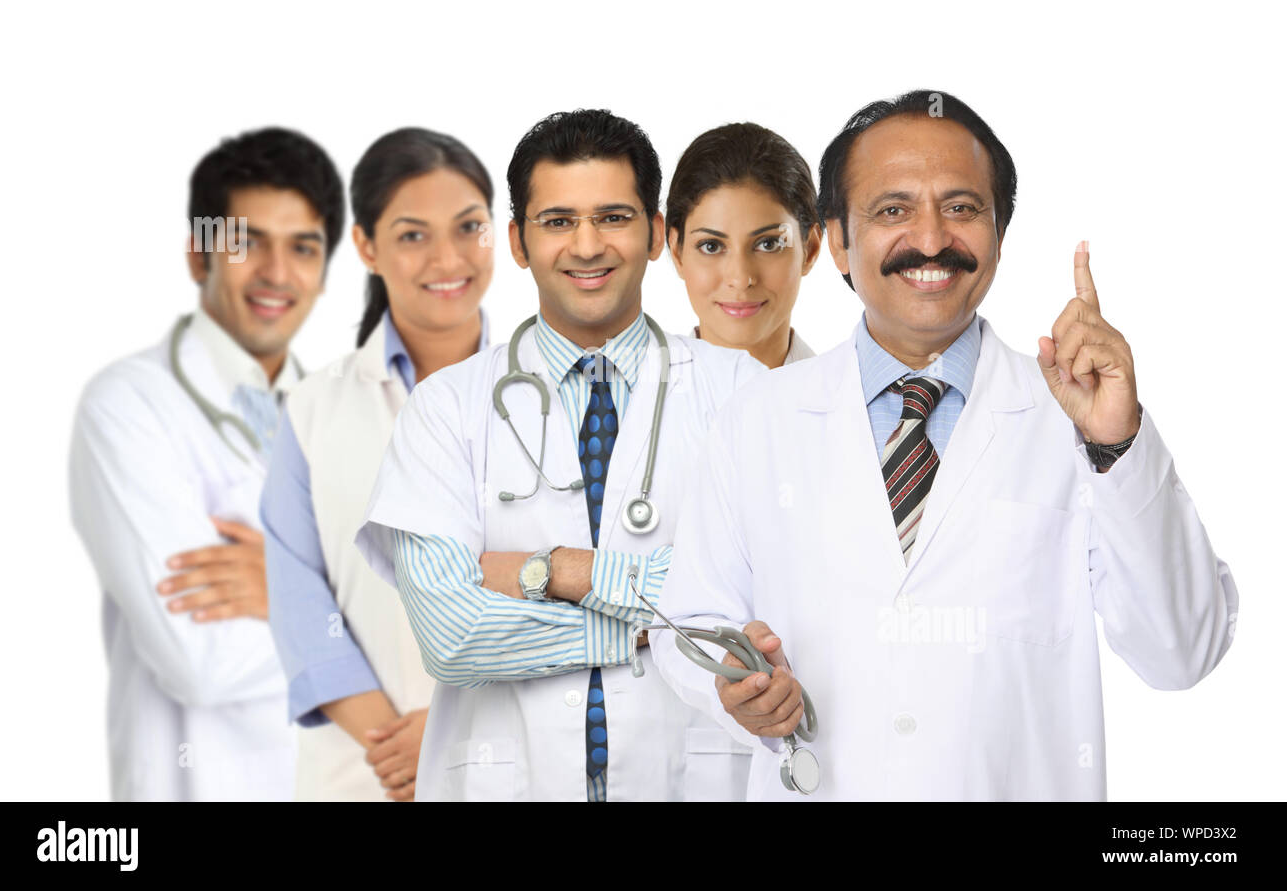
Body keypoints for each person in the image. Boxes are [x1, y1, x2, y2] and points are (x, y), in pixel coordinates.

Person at [651, 90, 1239, 801]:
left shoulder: (1073, 420)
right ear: (835, 238)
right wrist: (733, 691)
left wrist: (1118, 441)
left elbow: (1182, 651)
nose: (930, 238)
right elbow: (689, 625)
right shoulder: (757, 421)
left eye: (962, 207)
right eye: (892, 209)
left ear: (998, 231)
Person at [354, 108, 765, 801]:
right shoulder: (448, 405)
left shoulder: (742, 391)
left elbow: (762, 595)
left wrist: (558, 571)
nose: (586, 245)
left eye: (613, 217)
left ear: (657, 234)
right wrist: (641, 630)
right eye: (556, 222)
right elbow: (451, 634)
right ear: (517, 241)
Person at [69, 128, 345, 801]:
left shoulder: (340, 417)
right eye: (247, 242)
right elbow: (200, 660)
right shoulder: (130, 406)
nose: (278, 273)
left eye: (303, 247)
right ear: (200, 255)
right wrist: (349, 600)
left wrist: (288, 589)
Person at [261, 128, 493, 801]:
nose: (448, 257)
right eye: (413, 234)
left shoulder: (554, 393)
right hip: (364, 773)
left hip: (512, 756)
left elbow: (573, 595)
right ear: (366, 246)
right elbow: (302, 605)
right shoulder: (313, 408)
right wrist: (397, 747)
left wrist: (450, 732)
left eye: (468, 227)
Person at [666, 122, 822, 368]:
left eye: (769, 244)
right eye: (711, 246)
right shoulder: (627, 400)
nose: (740, 279)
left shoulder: (858, 400)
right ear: (677, 253)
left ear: (810, 249)